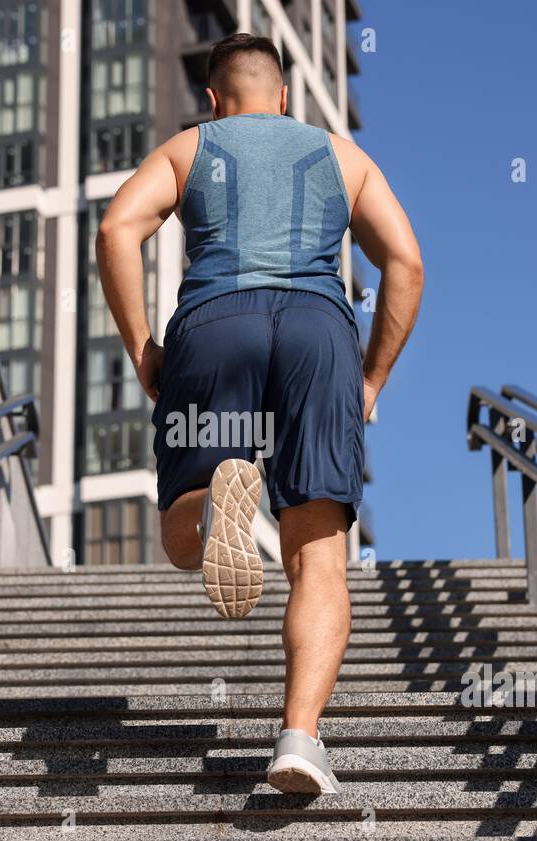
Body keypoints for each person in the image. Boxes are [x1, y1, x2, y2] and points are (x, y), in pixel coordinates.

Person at [95, 33, 423, 794]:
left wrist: (144, 343)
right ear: (283, 97)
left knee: (180, 535)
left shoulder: (190, 147)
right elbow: (405, 263)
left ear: (213, 100)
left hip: (214, 324)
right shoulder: (343, 156)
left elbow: (117, 229)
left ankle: (211, 505)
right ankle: (300, 738)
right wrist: (370, 378)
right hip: (320, 332)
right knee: (318, 553)